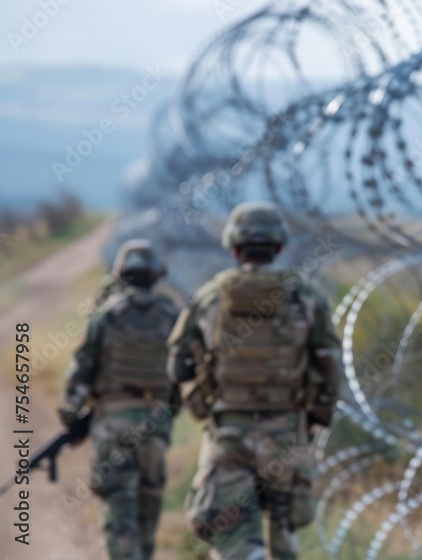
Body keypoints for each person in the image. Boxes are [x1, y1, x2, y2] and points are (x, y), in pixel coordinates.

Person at [167, 200, 341, 560]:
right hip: (287, 429)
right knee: (285, 528)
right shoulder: (305, 296)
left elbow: (178, 363)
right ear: (278, 247)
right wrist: (314, 419)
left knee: (230, 527)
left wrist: (203, 408)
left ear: (233, 247)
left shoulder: (210, 297)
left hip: (228, 429)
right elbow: (328, 364)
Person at [58, 238, 180, 560]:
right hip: (154, 425)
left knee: (119, 507)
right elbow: (183, 371)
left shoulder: (106, 314)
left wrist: (72, 415)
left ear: (121, 274)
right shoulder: (172, 314)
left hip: (112, 424)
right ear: (156, 274)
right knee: (147, 509)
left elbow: (83, 368)